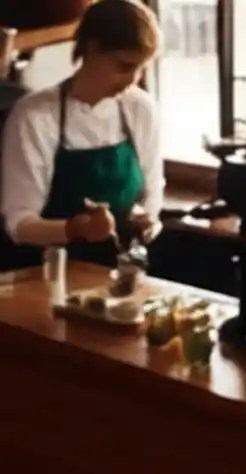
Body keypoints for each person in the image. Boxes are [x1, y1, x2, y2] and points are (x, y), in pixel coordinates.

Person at [0, 0, 164, 271]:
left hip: (122, 272)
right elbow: (19, 225)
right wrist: (76, 228)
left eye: (141, 68)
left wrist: (148, 222)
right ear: (92, 49)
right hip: (47, 273)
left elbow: (152, 192)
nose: (132, 79)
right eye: (124, 66)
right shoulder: (36, 115)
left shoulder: (140, 108)